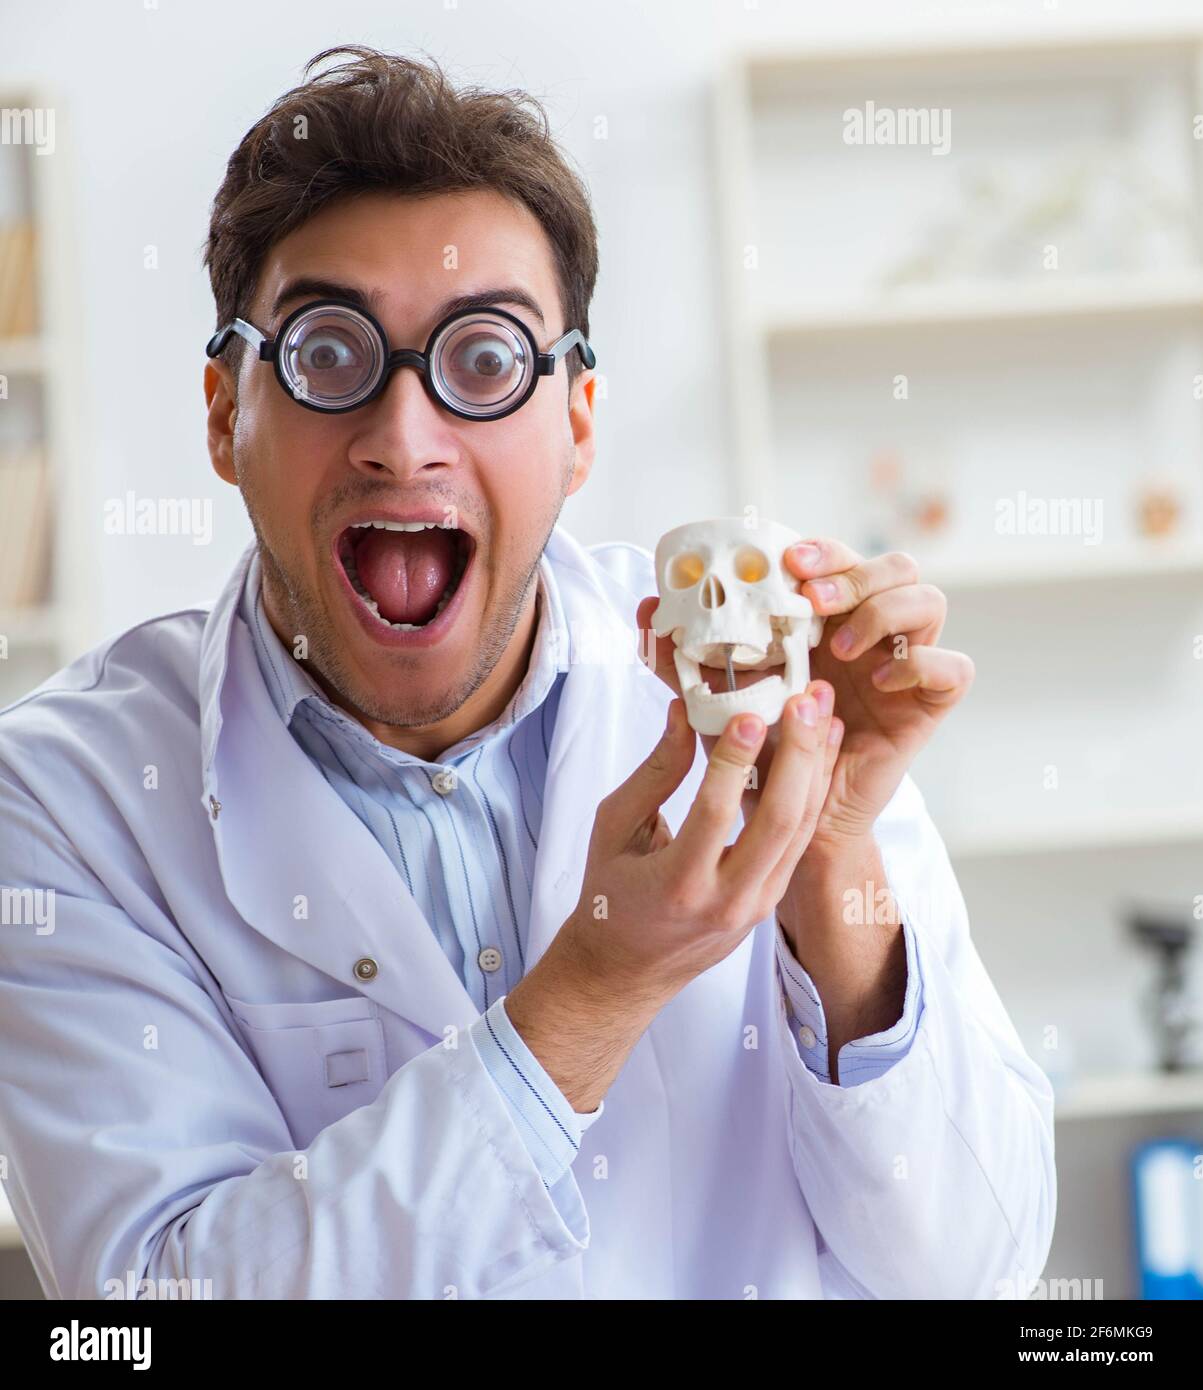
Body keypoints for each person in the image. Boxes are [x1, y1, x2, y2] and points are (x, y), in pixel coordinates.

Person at [0, 45, 1053, 1300]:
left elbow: (974, 1271)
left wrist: (827, 856)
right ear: (227, 412)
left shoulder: (770, 701)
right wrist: (596, 990)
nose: (404, 439)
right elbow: (147, 1311)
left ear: (580, 422)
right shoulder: (65, 801)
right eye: (329, 355)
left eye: (486, 359)